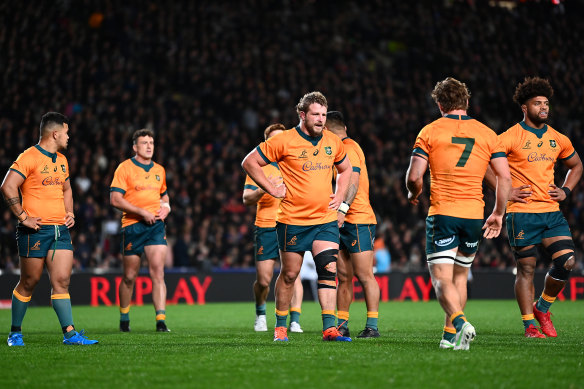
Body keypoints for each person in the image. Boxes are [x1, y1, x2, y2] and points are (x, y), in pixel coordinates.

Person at [406, 78, 511, 350]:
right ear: (467, 102)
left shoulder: (429, 131)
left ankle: (461, 322)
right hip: (474, 215)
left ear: (440, 104)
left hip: (444, 213)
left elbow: (415, 176)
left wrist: (414, 193)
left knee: (441, 278)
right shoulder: (488, 133)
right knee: (460, 276)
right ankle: (449, 335)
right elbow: (504, 177)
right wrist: (498, 213)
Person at [242, 91, 353, 342]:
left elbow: (346, 170)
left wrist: (340, 195)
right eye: (315, 114)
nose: (321, 119)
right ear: (302, 115)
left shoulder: (333, 142)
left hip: (324, 219)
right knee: (290, 274)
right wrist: (271, 189)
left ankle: (329, 328)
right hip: (292, 220)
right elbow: (249, 162)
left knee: (328, 269)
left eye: (324, 115)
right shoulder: (284, 141)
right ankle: (280, 327)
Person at [489, 77, 582, 338]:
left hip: (551, 212)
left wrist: (565, 190)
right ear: (524, 107)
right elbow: (486, 165)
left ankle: (542, 308)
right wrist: (506, 192)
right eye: (537, 103)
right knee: (526, 269)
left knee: (568, 261)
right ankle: (530, 325)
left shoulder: (557, 138)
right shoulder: (509, 137)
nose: (544, 107)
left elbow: (577, 166)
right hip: (521, 214)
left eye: (546, 103)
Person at [1, 112, 98, 346]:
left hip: (60, 231)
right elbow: (7, 186)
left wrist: (70, 212)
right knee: (29, 281)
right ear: (55, 133)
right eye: (66, 132)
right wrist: (23, 217)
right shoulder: (29, 157)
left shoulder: (62, 160)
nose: (69, 136)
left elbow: (67, 190)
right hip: (34, 231)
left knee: (62, 280)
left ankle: (70, 334)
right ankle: (15, 332)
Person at [243, 123, 304, 333]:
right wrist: (264, 188)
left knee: (292, 274)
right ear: (267, 142)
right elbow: (246, 198)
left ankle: (294, 320)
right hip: (266, 226)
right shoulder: (258, 167)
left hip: (291, 222)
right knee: (264, 279)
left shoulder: (295, 164)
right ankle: (261, 313)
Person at [110, 129, 172, 332]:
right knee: (129, 276)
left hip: (155, 226)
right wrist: (141, 212)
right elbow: (115, 199)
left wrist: (166, 209)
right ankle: (124, 317)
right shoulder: (124, 168)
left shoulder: (159, 170)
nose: (149, 146)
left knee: (158, 273)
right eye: (144, 143)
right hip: (133, 226)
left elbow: (164, 196)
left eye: (151, 142)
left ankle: (161, 321)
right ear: (135, 147)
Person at [326, 111, 380, 339]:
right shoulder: (337, 149)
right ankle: (343, 323)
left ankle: (372, 326)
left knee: (364, 274)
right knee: (343, 276)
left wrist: (342, 211)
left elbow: (353, 183)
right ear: (344, 127)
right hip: (340, 219)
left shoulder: (348, 148)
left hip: (358, 219)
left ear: (327, 130)